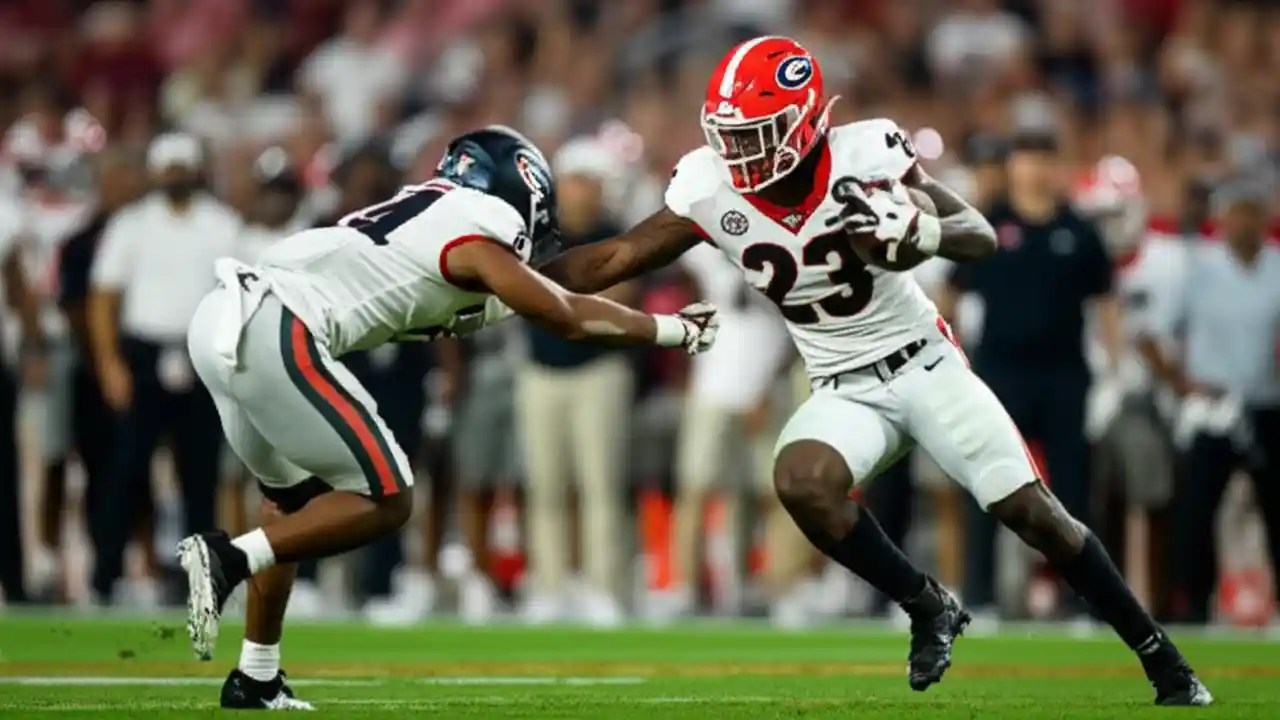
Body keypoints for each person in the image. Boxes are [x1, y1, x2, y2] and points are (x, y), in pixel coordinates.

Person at [538, 37, 1209, 705]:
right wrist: (516, 280)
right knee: (800, 480)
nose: (738, 152)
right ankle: (928, 605)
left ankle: (1163, 659)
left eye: (756, 134)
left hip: (926, 366)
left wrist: (921, 231)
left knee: (1035, 516)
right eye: (730, 135)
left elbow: (979, 235)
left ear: (804, 123)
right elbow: (614, 258)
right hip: (845, 388)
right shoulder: (708, 187)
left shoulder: (867, 154)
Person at [178, 126, 719, 710]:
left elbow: (568, 278)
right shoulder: (477, 225)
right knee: (388, 498)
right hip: (279, 329)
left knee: (288, 505)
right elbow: (561, 313)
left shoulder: (435, 219)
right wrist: (670, 329)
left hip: (220, 320)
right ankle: (228, 558)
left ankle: (257, 674)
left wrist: (681, 229)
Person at [943, 132, 1125, 619]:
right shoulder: (987, 224)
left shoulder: (1079, 230)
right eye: (1026, 158)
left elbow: (1106, 303)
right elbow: (951, 296)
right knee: (986, 485)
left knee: (1072, 491)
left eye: (1045, 158)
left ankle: (1081, 600)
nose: (1035, 169)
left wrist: (1117, 371)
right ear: (1012, 166)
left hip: (1065, 376)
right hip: (999, 374)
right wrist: (945, 362)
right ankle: (979, 597)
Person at [87, 132, 242, 603]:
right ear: (156, 172)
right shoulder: (132, 224)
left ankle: (199, 584)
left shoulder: (223, 224)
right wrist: (110, 363)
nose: (175, 174)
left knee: (200, 476)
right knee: (126, 471)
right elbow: (104, 296)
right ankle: (105, 579)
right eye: (168, 166)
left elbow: (241, 296)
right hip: (144, 353)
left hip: (201, 354)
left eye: (182, 166)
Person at [1139, 181, 1280, 624]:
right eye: (1237, 212)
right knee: (1196, 511)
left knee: (1275, 510)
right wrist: (1180, 384)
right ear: (1222, 218)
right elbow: (1151, 333)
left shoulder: (1277, 266)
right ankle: (1194, 606)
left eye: (1253, 212)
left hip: (1266, 404)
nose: (1245, 223)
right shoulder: (1198, 267)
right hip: (1211, 406)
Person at [518, 137, 637, 625]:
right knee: (545, 486)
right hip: (540, 371)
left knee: (600, 485)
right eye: (574, 180)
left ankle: (603, 587)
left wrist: (559, 303)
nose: (581, 190)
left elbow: (619, 300)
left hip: (598, 371)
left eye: (589, 181)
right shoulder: (536, 234)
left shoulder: (614, 235)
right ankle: (549, 586)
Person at [56, 148, 146, 592]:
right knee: (99, 471)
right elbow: (74, 307)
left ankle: (147, 569)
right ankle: (104, 569)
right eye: (116, 181)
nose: (124, 189)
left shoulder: (152, 235)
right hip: (94, 372)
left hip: (144, 366)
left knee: (142, 475)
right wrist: (103, 362)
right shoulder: (80, 242)